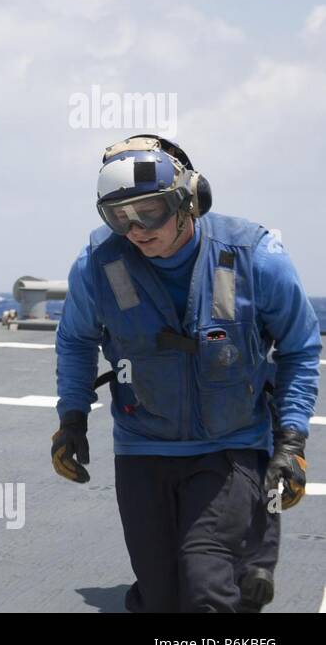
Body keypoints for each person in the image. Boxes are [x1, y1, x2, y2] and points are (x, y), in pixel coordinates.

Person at [51, 134, 320, 612]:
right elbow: (76, 339)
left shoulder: (255, 256)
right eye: (119, 216)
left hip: (229, 448)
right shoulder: (98, 264)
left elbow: (300, 348)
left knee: (206, 590)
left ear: (190, 200)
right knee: (160, 599)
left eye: (148, 211)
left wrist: (292, 442)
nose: (135, 229)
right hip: (141, 446)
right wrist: (71, 417)